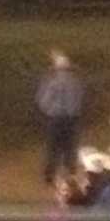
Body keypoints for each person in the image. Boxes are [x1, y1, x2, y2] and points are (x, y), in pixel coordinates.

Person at [30, 52, 84, 187]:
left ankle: (49, 176)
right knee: (70, 148)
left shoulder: (51, 82)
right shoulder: (76, 82)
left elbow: (42, 101)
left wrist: (48, 112)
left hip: (55, 119)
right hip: (72, 119)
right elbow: (80, 100)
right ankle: (70, 175)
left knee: (53, 148)